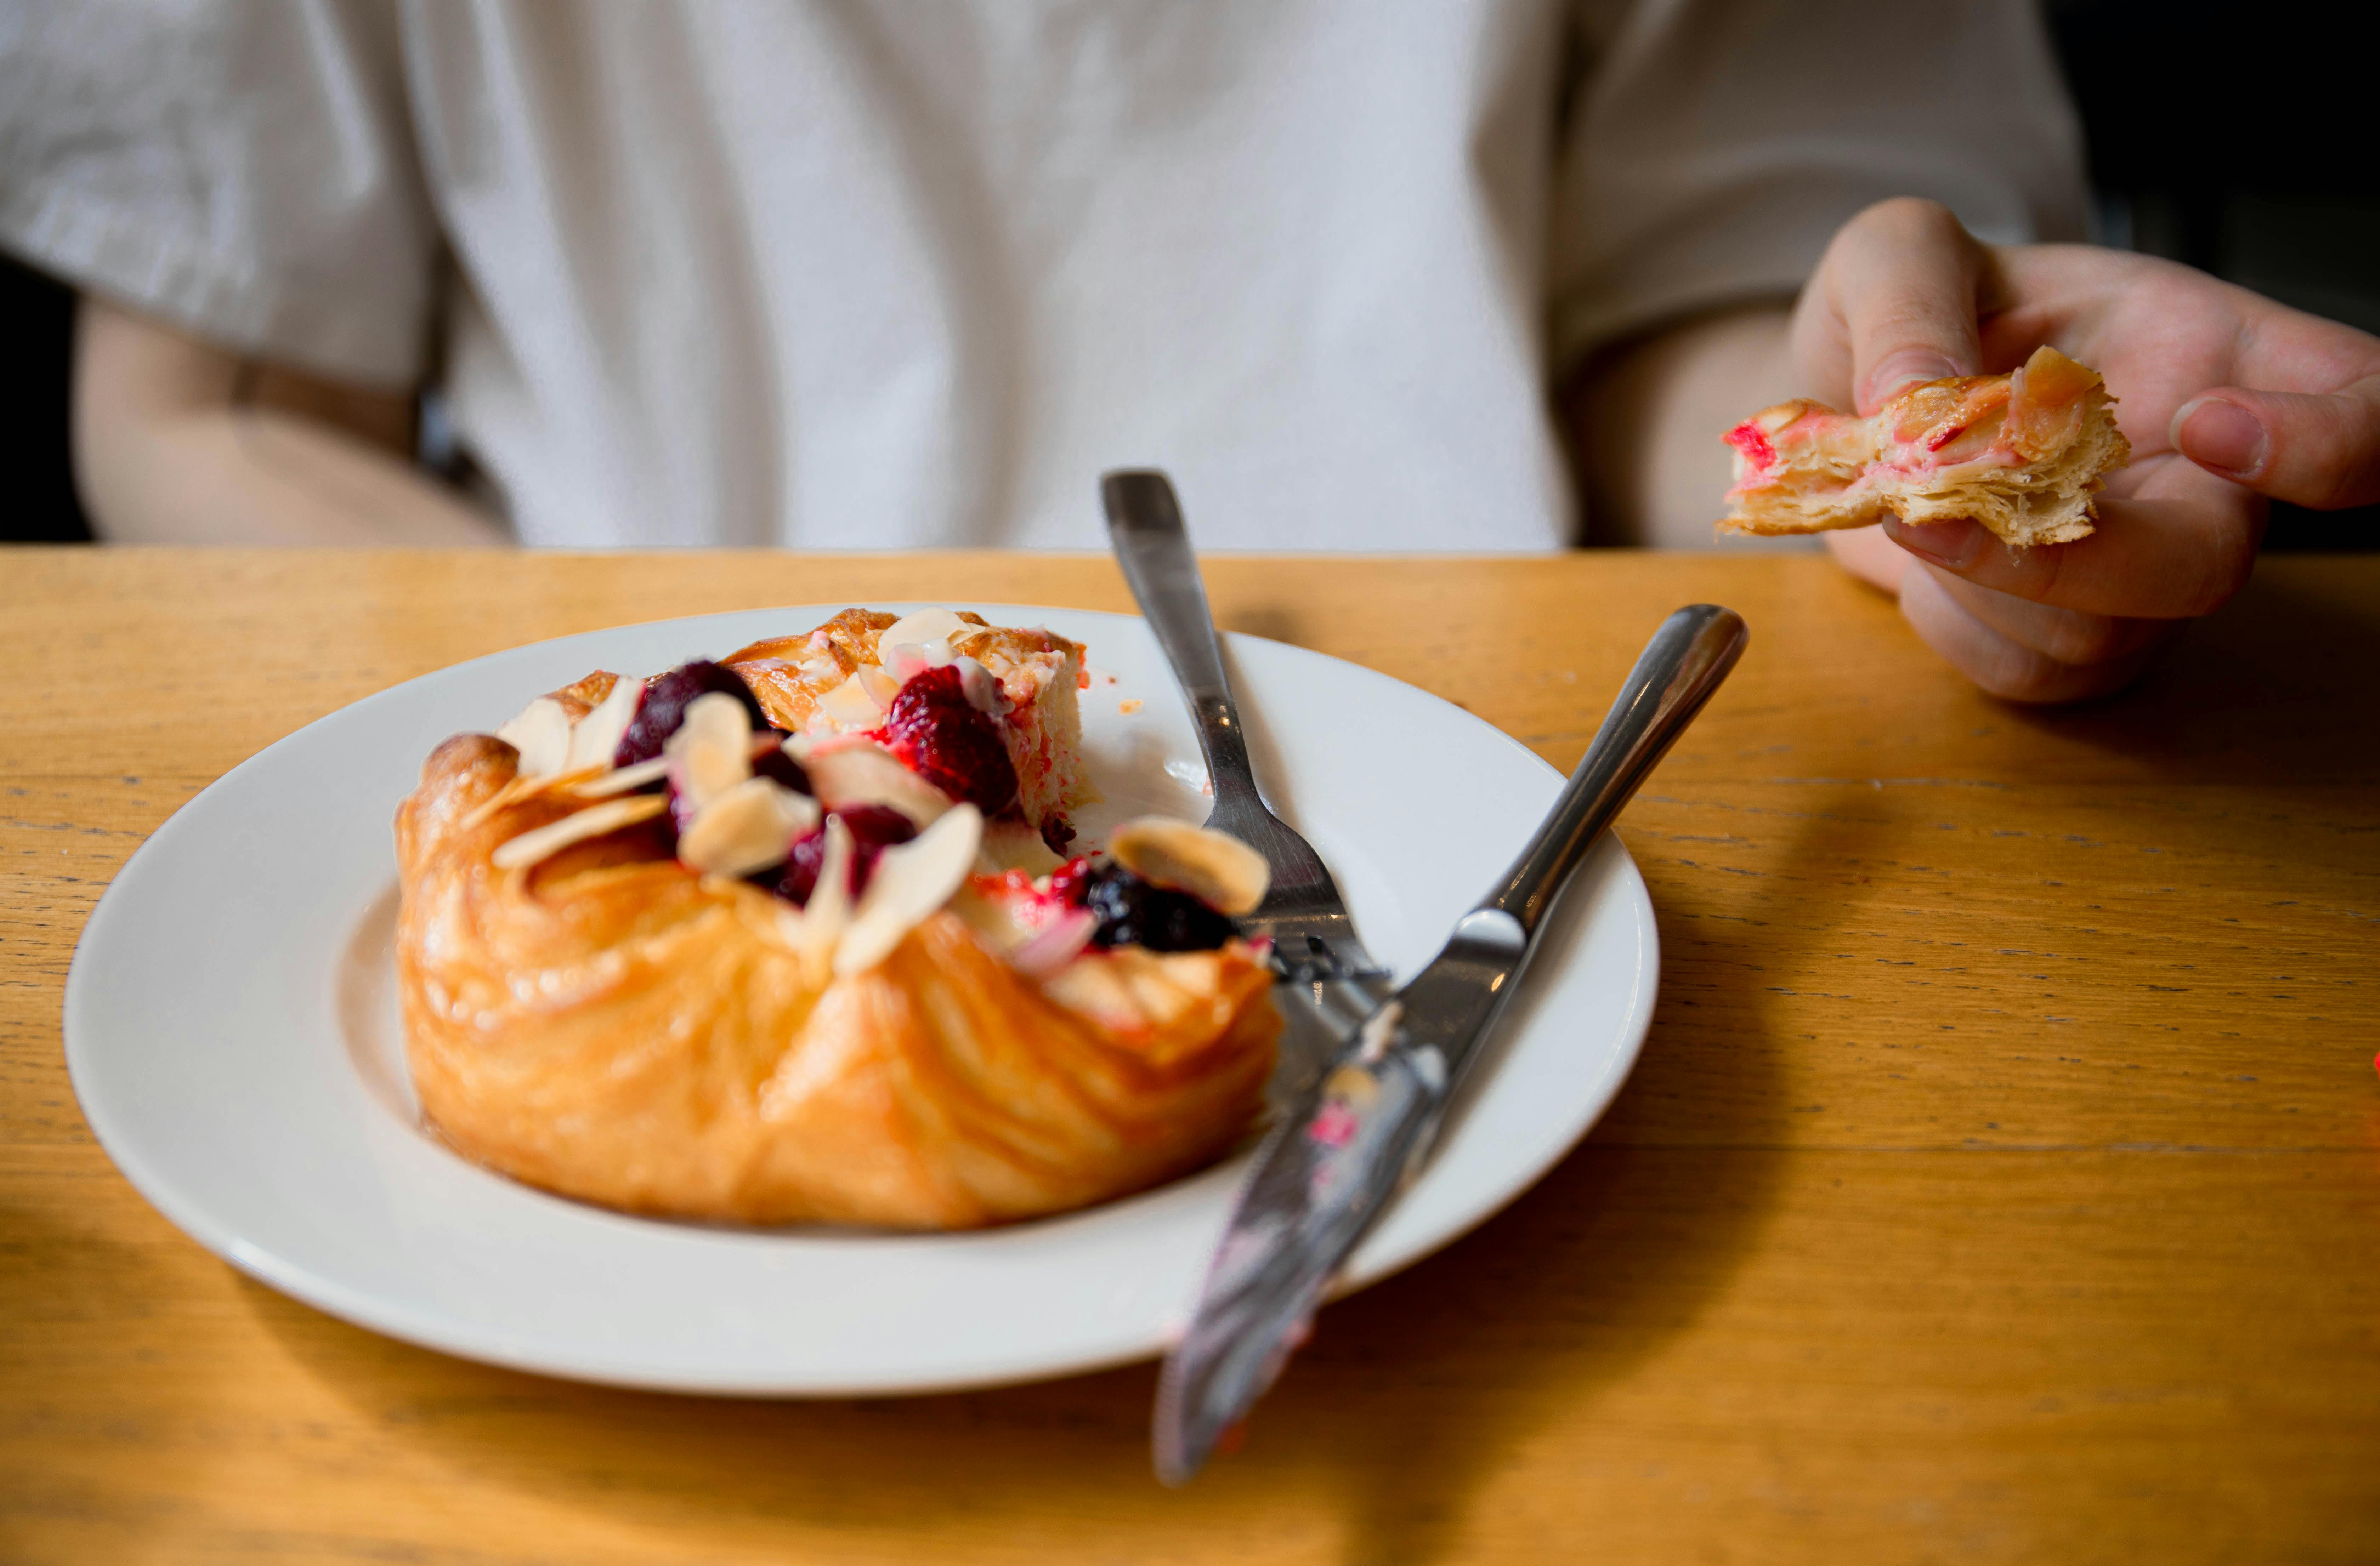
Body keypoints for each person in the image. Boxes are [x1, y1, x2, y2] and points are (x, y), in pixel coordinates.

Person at [4, 3, 2375, 703]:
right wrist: (673, 724)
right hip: (630, 717)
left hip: (1510, 761)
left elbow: (1647, 358)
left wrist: (1877, 443)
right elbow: (207, 405)